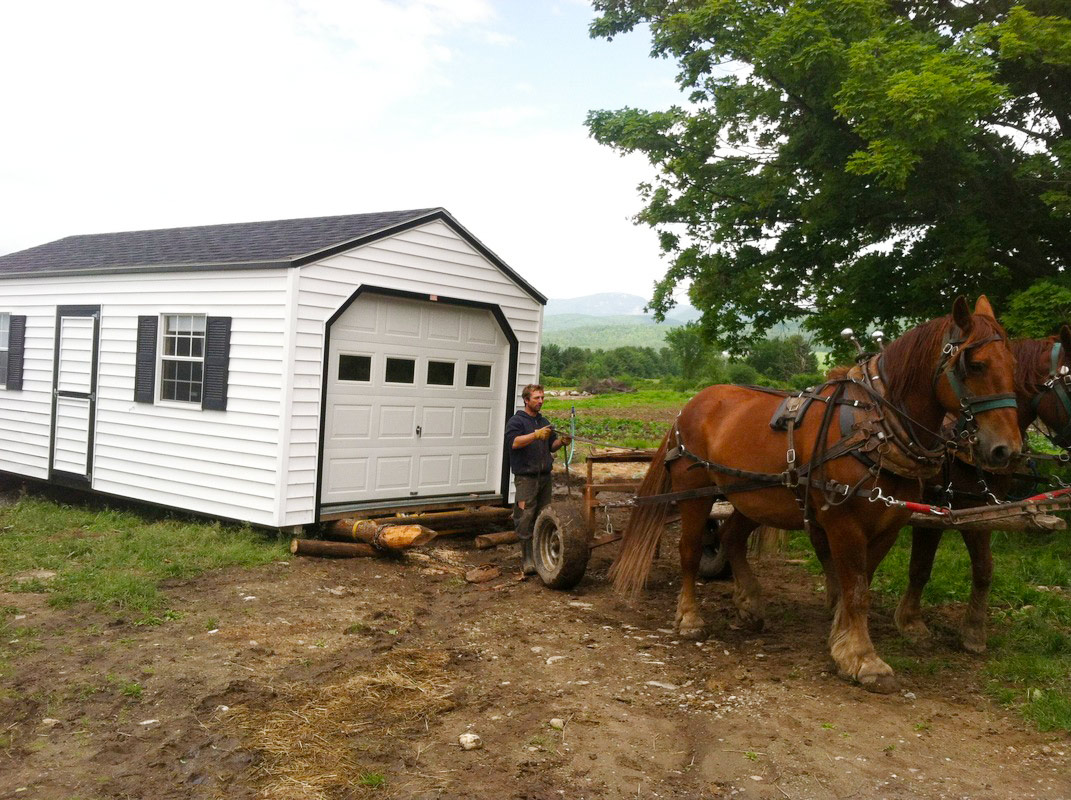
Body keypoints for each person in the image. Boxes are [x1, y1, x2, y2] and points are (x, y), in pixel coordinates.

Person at [504, 383, 570, 576]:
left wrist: (562, 441)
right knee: (525, 516)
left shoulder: (544, 421)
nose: (540, 401)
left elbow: (552, 446)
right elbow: (514, 443)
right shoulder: (517, 421)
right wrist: (535, 435)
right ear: (526, 400)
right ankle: (527, 559)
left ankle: (540, 554)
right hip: (526, 478)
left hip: (544, 478)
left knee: (543, 515)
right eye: (536, 398)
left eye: (542, 398)